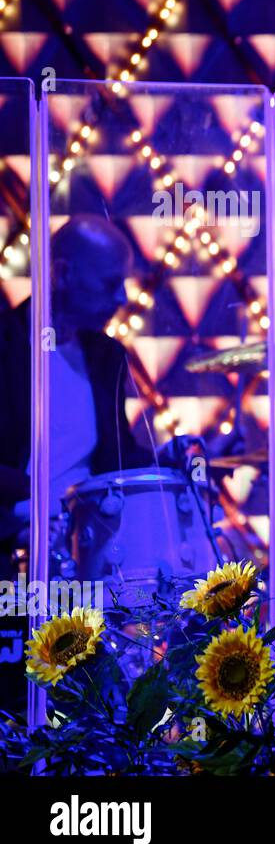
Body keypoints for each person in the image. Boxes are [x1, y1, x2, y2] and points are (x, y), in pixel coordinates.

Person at [0, 214, 150, 714]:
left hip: (82, 565)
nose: (122, 296)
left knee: (106, 712)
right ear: (62, 274)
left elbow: (119, 456)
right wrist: (31, 502)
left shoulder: (106, 356)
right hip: (14, 557)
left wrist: (178, 458)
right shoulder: (5, 345)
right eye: (110, 282)